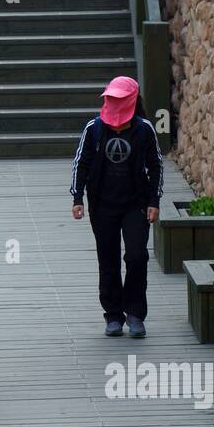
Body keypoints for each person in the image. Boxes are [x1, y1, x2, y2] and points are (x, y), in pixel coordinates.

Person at [69, 76, 163, 338]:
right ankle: (112, 315)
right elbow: (82, 163)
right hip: (102, 205)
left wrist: (154, 201)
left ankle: (135, 313)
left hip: (136, 203)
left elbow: (155, 165)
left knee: (136, 256)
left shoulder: (144, 129)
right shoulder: (94, 128)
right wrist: (77, 197)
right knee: (107, 259)